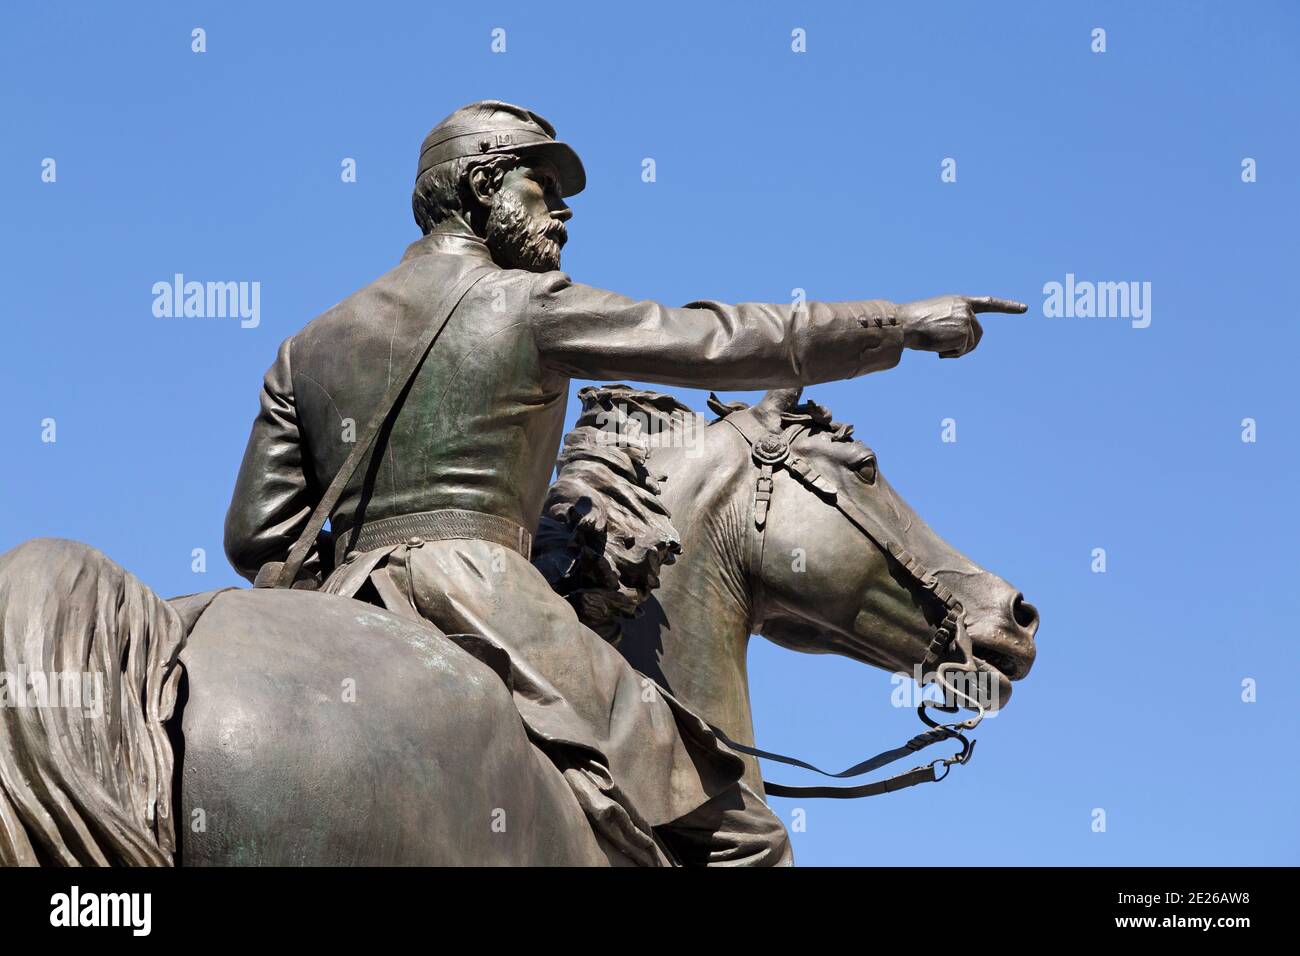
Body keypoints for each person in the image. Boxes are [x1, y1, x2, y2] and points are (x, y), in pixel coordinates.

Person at [224, 99, 1026, 865]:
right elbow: (720, 342)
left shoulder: (308, 345)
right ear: (481, 186)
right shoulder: (528, 306)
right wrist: (901, 324)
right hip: (492, 602)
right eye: (543, 187)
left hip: (330, 608)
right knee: (745, 839)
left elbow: (255, 538)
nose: (563, 213)